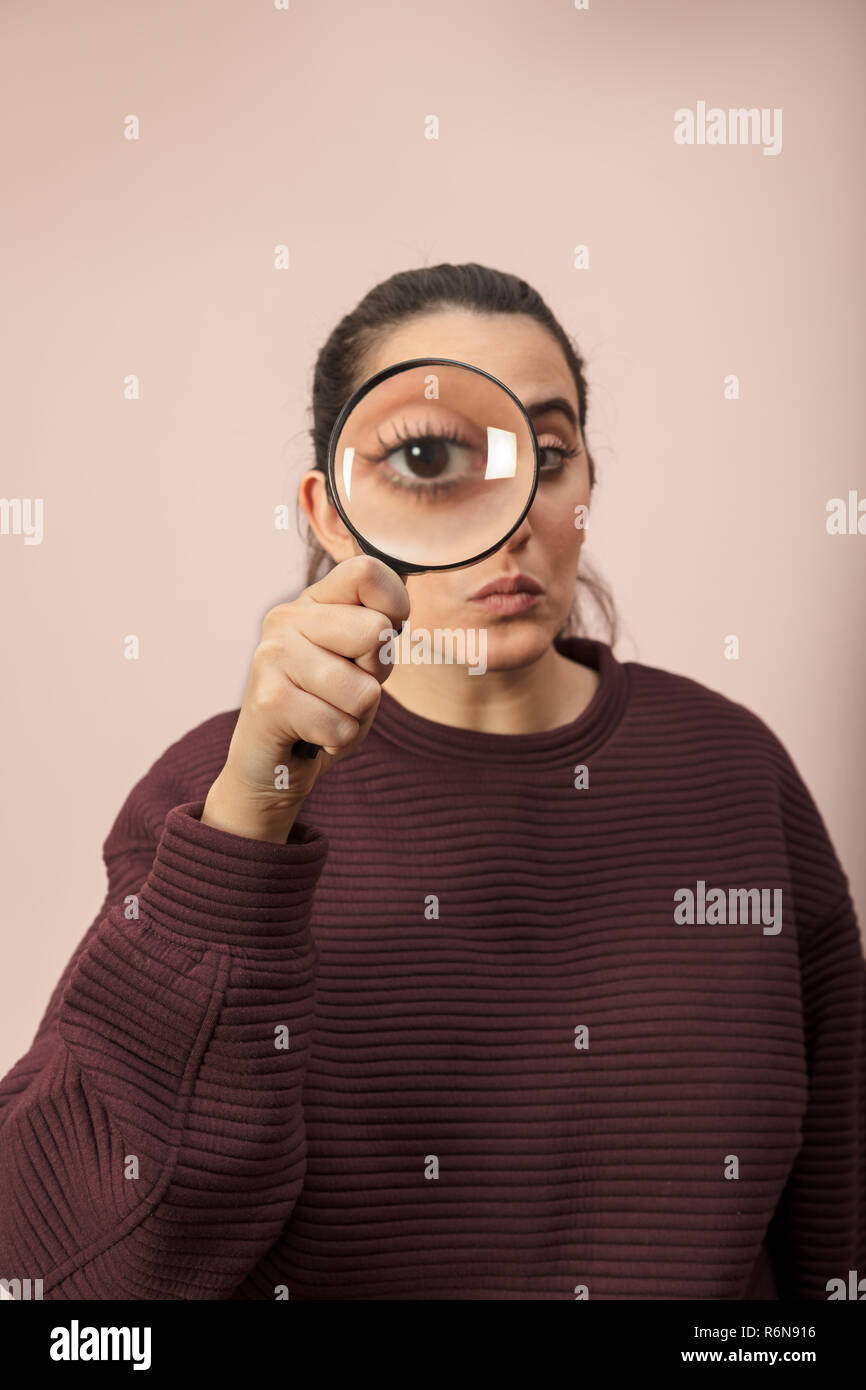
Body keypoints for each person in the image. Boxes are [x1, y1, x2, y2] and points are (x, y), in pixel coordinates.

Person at [0, 263, 863, 1301]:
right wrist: (248, 825)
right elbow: (63, 1276)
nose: (510, 521)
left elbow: (836, 1232)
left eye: (546, 455)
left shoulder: (733, 769)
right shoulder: (209, 793)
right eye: (425, 455)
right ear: (330, 512)